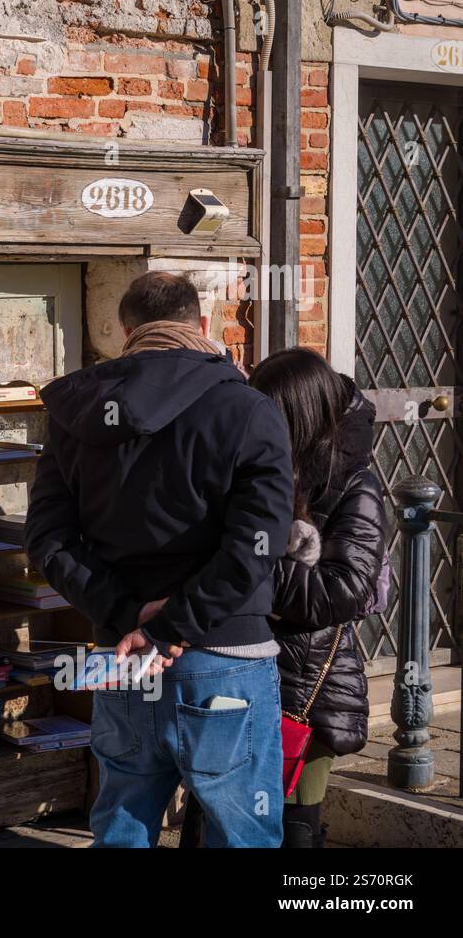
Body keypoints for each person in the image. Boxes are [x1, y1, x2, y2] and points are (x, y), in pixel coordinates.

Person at [26, 271, 294, 848]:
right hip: (224, 651)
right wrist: (170, 626)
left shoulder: (76, 416)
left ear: (126, 333)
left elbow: (49, 541)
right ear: (202, 326)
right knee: (241, 836)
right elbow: (260, 542)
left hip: (126, 656)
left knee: (122, 827)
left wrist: (130, 618)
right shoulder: (246, 409)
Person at [249, 347, 384, 847]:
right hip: (246, 667)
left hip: (307, 686)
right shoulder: (268, 470)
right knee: (224, 813)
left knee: (293, 824)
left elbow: (346, 589)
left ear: (295, 416)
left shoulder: (355, 486)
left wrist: (249, 573)